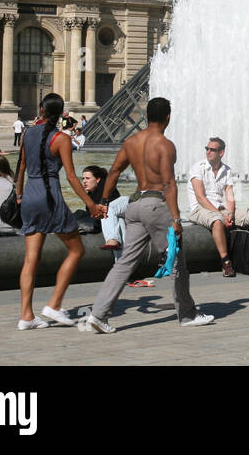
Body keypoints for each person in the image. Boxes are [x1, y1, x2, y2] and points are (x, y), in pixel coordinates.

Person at [79, 97, 214, 333]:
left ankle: (98, 314)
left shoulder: (131, 142)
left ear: (147, 116)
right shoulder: (165, 145)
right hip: (156, 204)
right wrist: (175, 218)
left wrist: (103, 202)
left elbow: (114, 172)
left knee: (125, 262)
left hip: (135, 204)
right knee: (176, 261)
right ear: (168, 117)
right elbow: (169, 183)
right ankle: (188, 314)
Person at [15, 93, 106, 330]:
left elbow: (21, 167)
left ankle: (26, 316)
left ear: (41, 110)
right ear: (61, 114)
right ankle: (54, 305)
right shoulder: (62, 139)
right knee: (76, 250)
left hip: (30, 196)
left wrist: (18, 195)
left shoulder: (27, 134)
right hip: (50, 197)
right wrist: (90, 204)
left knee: (31, 258)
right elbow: (72, 177)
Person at [187, 137, 245, 277]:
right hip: (199, 209)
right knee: (218, 221)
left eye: (212, 149)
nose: (208, 152)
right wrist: (222, 215)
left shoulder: (226, 170)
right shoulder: (198, 167)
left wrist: (230, 214)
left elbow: (230, 196)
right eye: (207, 148)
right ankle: (226, 263)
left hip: (220, 209)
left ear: (221, 152)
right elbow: (200, 198)